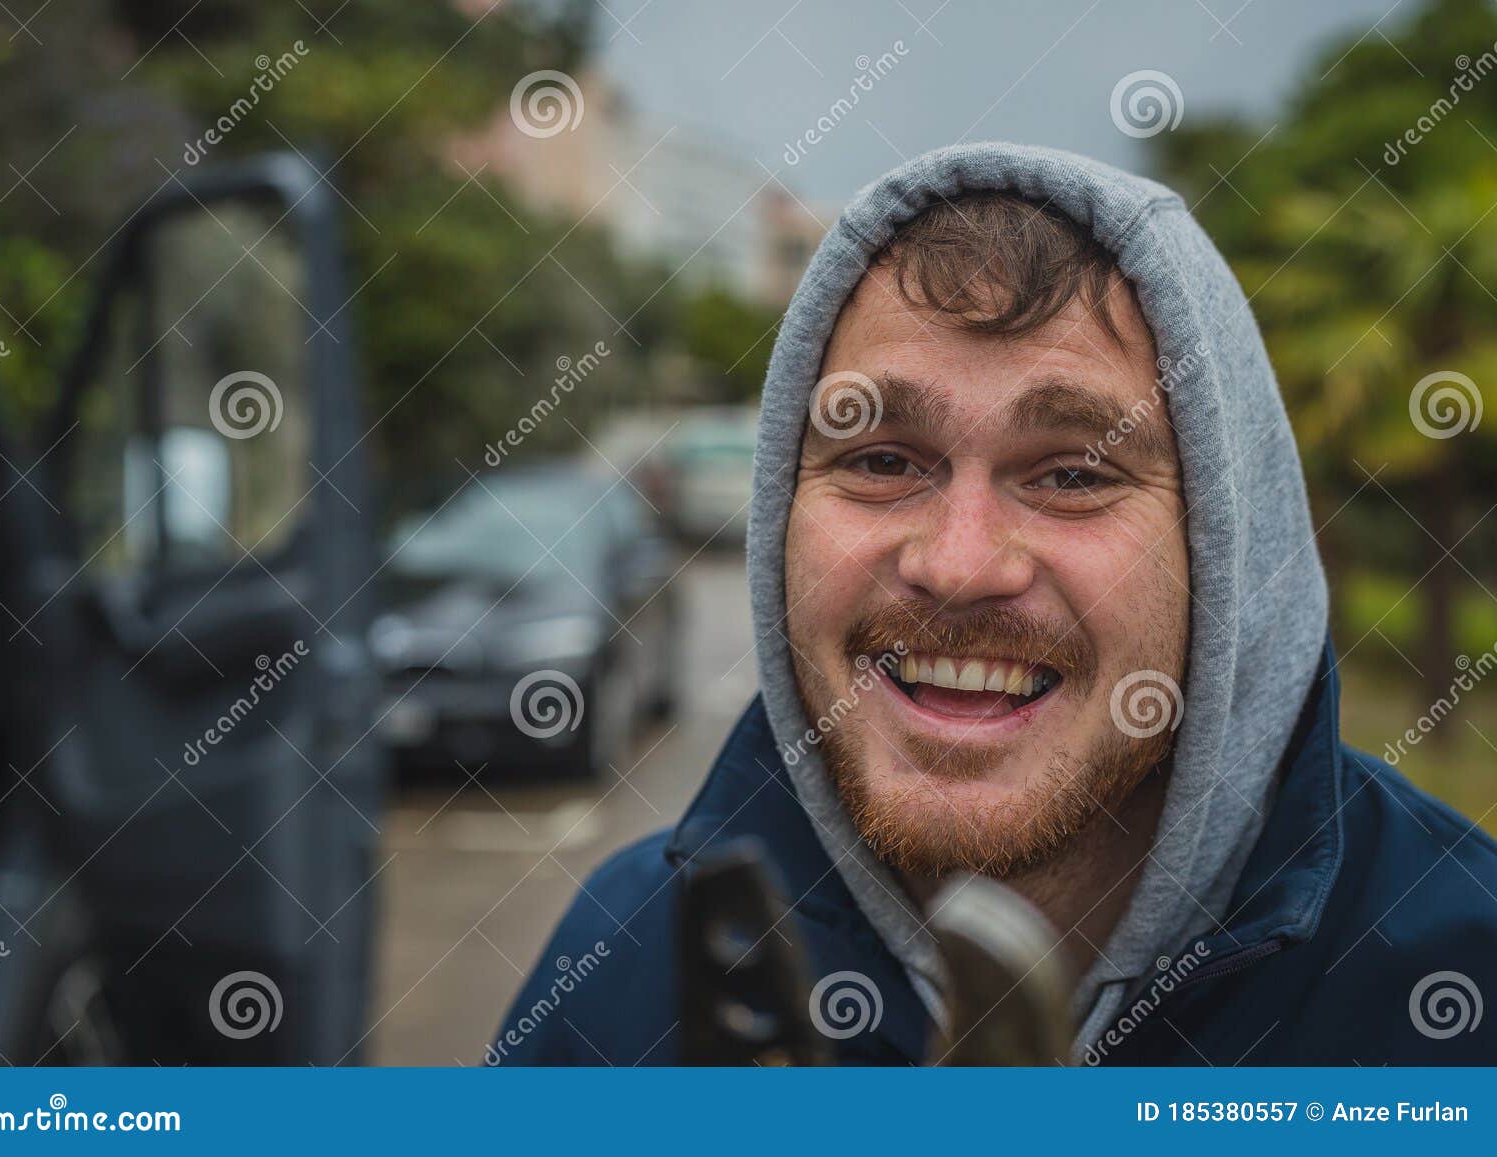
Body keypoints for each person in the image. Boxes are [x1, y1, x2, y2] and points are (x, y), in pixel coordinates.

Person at [490, 143, 1497, 1065]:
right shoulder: (624, 972)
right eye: (881, 460)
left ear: (1230, 545)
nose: (958, 563)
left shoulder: (1455, 977)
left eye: (1071, 473)